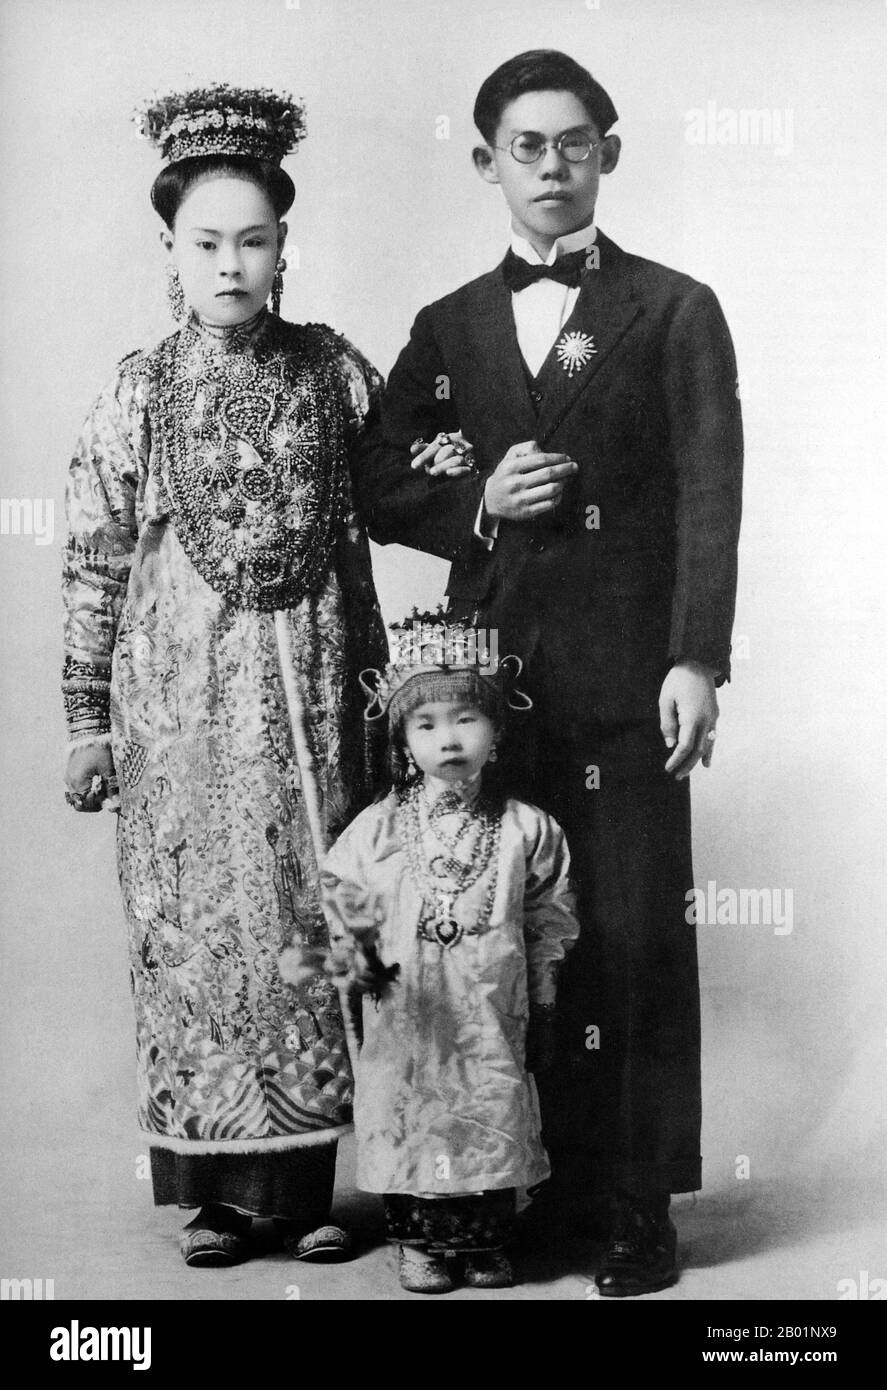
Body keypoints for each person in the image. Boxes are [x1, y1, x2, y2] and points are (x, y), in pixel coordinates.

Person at [352, 50, 743, 1295]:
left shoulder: (674, 308)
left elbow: (709, 498)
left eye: (574, 143)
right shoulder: (449, 321)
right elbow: (372, 480)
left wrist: (696, 657)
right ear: (486, 163)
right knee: (492, 938)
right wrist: (476, 497)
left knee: (622, 936)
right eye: (525, 146)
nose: (551, 167)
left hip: (627, 678)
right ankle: (507, 1190)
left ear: (608, 156)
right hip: (487, 691)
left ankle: (630, 1208)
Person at [61, 83, 389, 1267]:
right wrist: (83, 722)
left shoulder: (335, 375)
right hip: (180, 723)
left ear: (283, 247)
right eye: (206, 243)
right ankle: (214, 1190)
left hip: (310, 703)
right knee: (198, 939)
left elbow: (401, 492)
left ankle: (304, 1187)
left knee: (308, 929)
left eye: (253, 240)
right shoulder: (137, 393)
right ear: (170, 251)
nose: (231, 263)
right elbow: (94, 560)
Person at [319, 614, 580, 1293]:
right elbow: (338, 889)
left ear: (495, 734)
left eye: (465, 720)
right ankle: (421, 1243)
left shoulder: (527, 828)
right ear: (404, 742)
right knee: (411, 1105)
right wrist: (360, 962)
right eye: (426, 725)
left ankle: (485, 1240)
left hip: (492, 1000)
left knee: (488, 1101)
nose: (449, 738)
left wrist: (546, 988)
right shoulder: (378, 827)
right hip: (409, 1005)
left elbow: (550, 912)